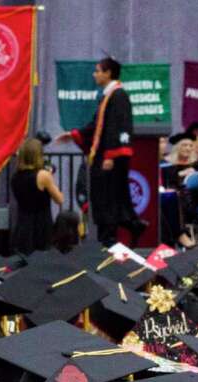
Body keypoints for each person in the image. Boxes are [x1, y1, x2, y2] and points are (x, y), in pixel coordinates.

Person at [55, 57, 144, 247]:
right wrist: (73, 135)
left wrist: (111, 155)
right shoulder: (107, 95)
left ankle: (110, 237)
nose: (94, 74)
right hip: (105, 155)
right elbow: (97, 125)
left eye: (97, 71)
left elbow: (118, 127)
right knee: (109, 197)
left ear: (108, 73)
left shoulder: (118, 96)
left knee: (109, 198)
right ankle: (131, 225)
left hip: (110, 157)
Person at [9, 137, 63, 254]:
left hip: (22, 225)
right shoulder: (43, 175)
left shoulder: (15, 177)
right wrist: (50, 177)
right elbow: (59, 199)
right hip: (41, 225)